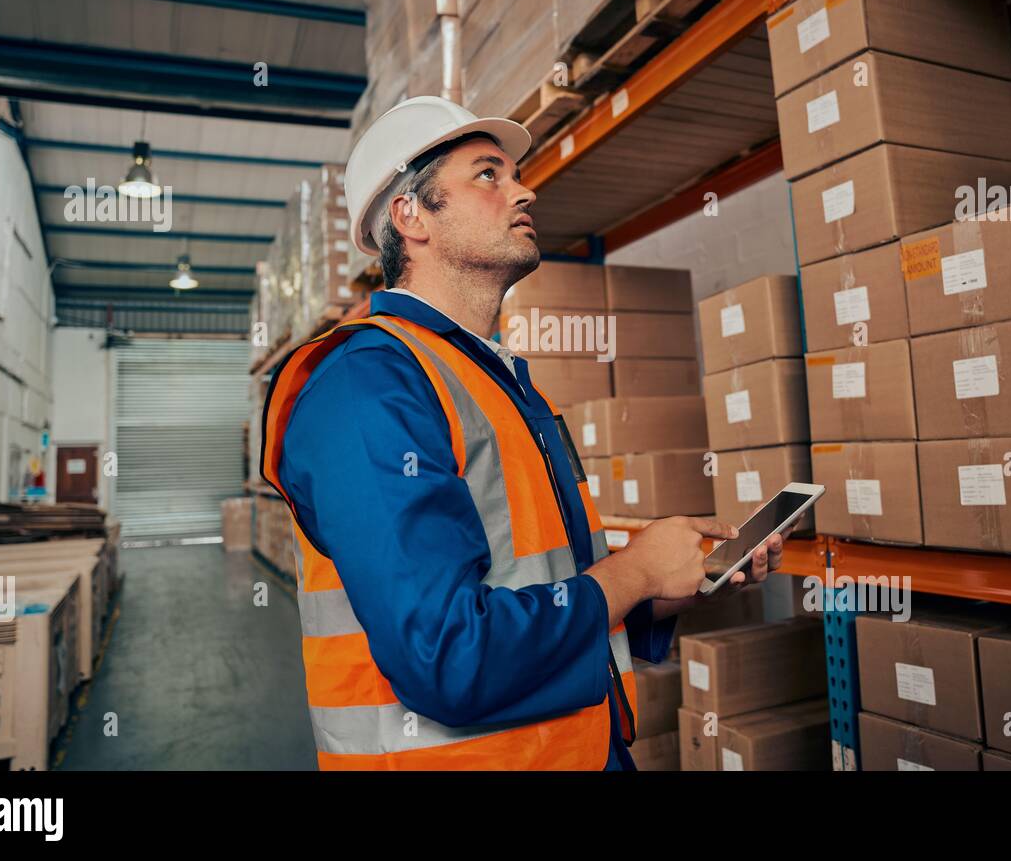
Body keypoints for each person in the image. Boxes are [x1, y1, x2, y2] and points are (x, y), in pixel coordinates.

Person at [261, 96, 786, 770]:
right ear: (410, 215)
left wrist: (660, 591)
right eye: (488, 174)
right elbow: (447, 655)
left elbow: (538, 587)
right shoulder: (366, 387)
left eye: (514, 173)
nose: (523, 188)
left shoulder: (495, 381)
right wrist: (634, 569)